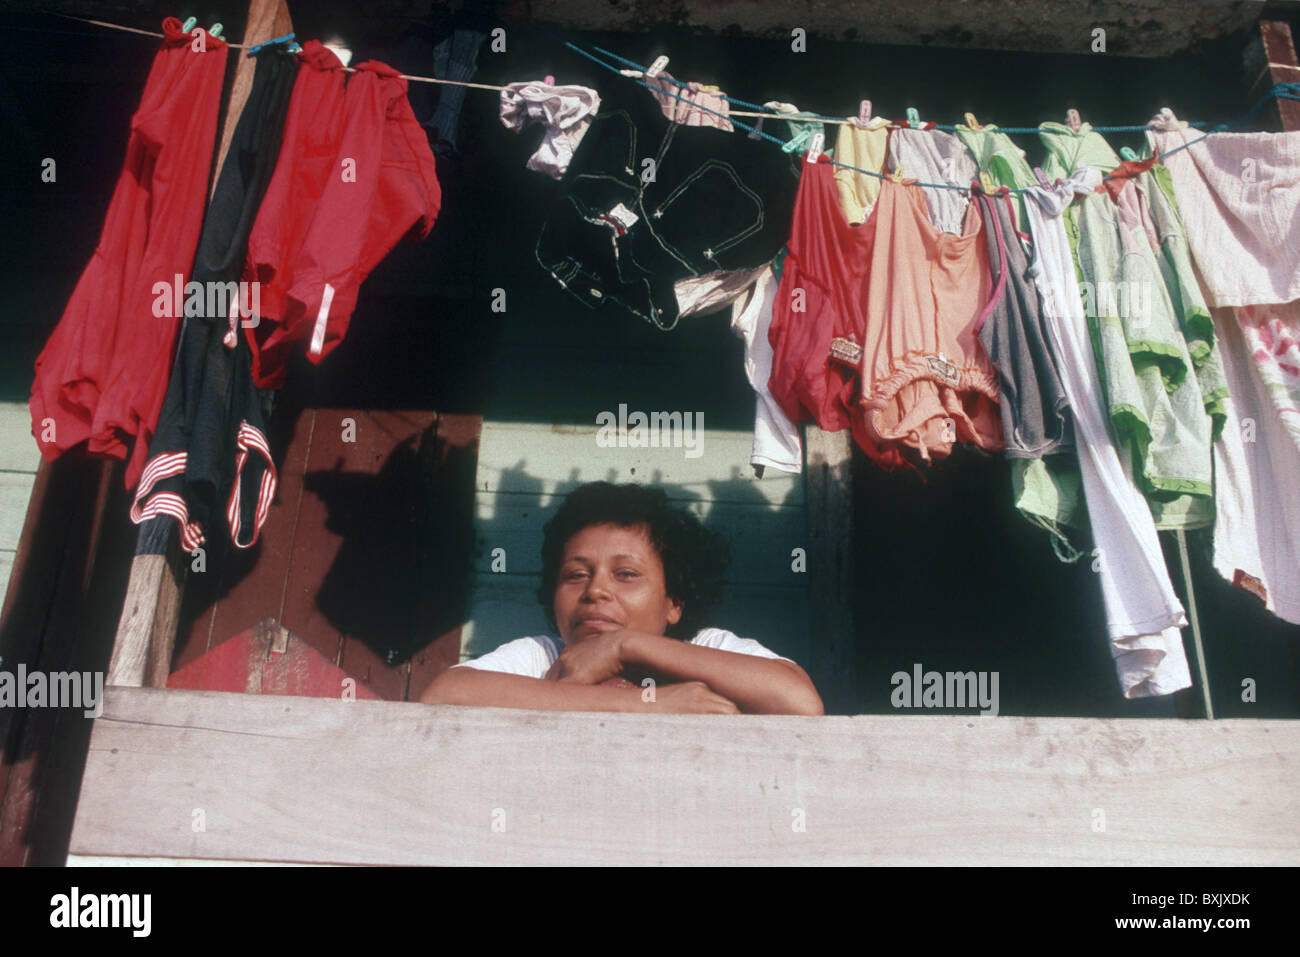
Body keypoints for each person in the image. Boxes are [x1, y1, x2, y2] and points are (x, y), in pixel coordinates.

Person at [420, 481, 823, 715]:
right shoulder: (542, 657)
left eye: (626, 575)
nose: (595, 590)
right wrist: (649, 707)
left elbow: (801, 703)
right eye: (576, 575)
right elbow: (444, 694)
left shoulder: (707, 648)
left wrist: (625, 646)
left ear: (674, 602)